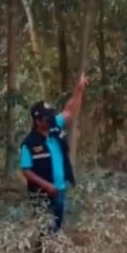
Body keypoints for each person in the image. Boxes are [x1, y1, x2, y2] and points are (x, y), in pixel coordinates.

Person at [20, 73, 89, 235]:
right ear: (38, 121)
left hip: (60, 189)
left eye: (51, 115)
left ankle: (55, 248)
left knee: (57, 224)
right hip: (42, 195)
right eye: (47, 117)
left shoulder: (54, 127)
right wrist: (46, 186)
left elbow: (69, 111)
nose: (51, 119)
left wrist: (79, 90)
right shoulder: (29, 144)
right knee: (44, 227)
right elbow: (26, 171)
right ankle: (42, 252)